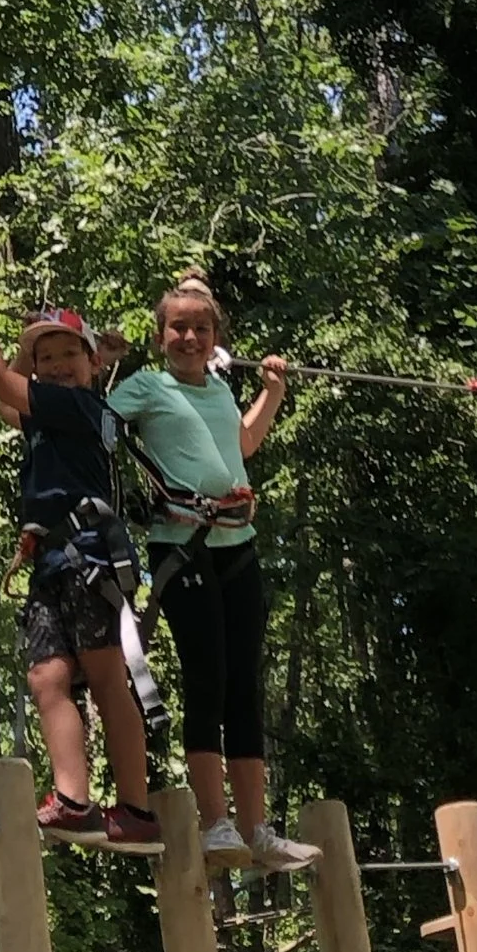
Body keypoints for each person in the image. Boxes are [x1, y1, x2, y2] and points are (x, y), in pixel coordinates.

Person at [105, 274, 318, 873]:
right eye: (178, 327)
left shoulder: (222, 391)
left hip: (238, 547)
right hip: (184, 548)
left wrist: (272, 391)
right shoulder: (147, 387)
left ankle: (258, 829)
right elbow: (91, 423)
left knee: (243, 686)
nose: (190, 337)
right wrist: (98, 361)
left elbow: (242, 445)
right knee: (209, 677)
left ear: (216, 336)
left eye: (200, 328)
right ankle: (215, 820)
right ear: (160, 336)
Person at [0, 292, 161, 853]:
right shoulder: (49, 417)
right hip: (52, 565)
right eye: (44, 358)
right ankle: (74, 801)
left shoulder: (82, 409)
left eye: (67, 354)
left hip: (89, 558)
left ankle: (136, 808)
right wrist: (38, 340)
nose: (52, 366)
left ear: (95, 364)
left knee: (104, 679)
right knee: (47, 678)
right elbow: (11, 400)